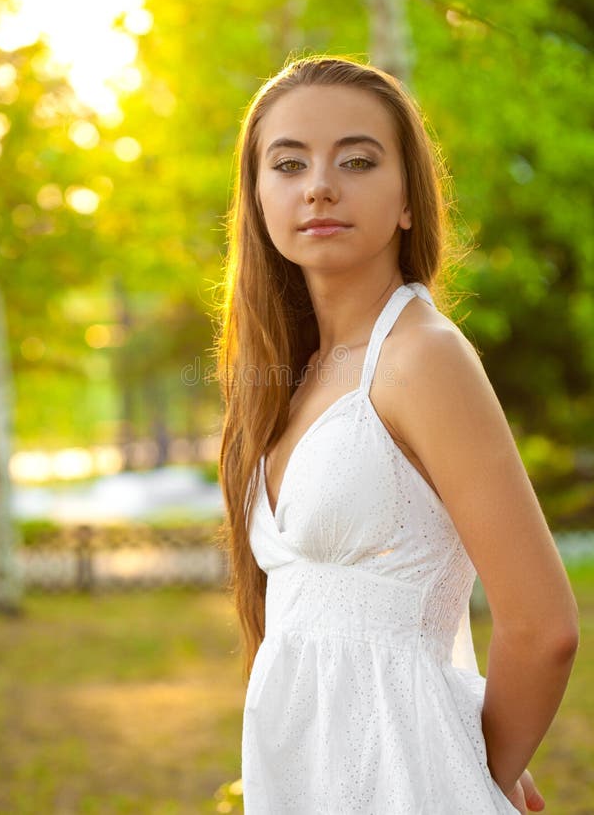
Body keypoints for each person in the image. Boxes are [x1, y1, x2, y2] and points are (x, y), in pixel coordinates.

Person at [215, 54, 579, 814]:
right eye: (288, 163)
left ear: (409, 199)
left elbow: (542, 626)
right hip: (303, 778)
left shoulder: (422, 357)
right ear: (256, 197)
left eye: (356, 160)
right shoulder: (301, 372)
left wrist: (480, 770)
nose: (319, 184)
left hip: (410, 783)